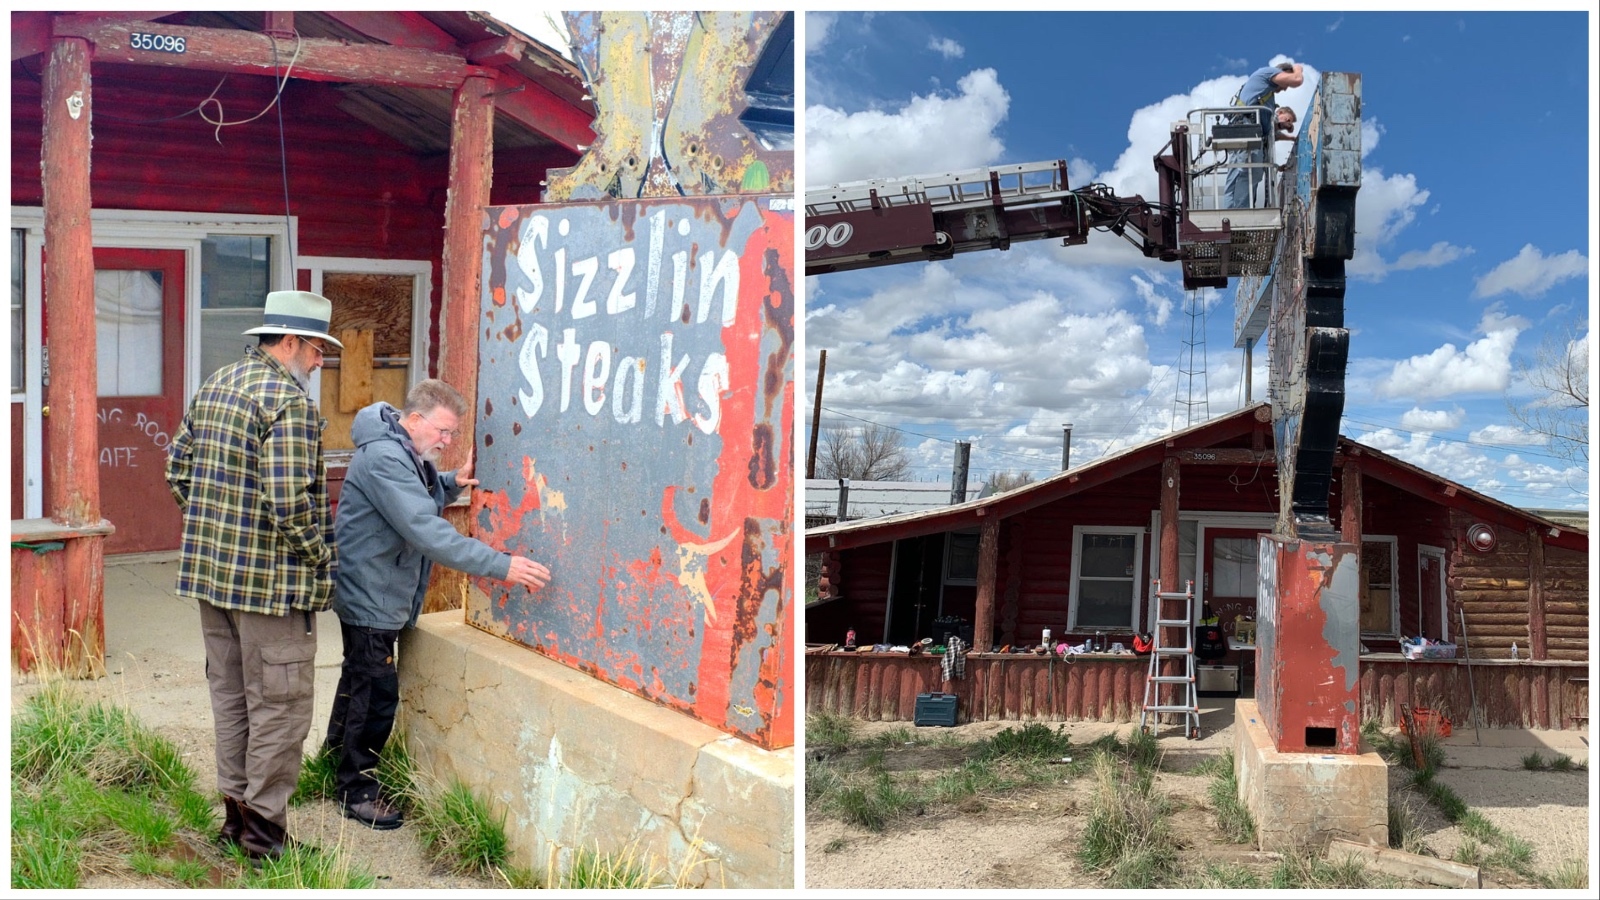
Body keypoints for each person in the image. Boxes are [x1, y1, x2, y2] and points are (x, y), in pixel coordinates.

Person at [324, 379, 552, 830]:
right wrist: (500, 565)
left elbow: (409, 499)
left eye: (451, 434)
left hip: (374, 588)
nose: (447, 441)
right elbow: (425, 530)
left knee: (359, 680)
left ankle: (335, 761)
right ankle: (357, 790)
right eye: (443, 431)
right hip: (371, 593)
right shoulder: (386, 457)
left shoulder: (396, 448)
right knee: (376, 696)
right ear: (414, 419)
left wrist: (449, 483)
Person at [165, 290, 341, 860]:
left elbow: (177, 469)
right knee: (280, 710)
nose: (320, 361)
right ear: (289, 342)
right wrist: (321, 558)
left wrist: (218, 527)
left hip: (212, 580)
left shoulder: (218, 383)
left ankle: (235, 824)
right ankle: (264, 840)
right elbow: (289, 502)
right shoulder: (289, 403)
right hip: (271, 589)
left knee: (232, 700)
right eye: (317, 349)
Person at [1223, 61, 1305, 209]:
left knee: (1244, 174)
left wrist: (1289, 136)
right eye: (1285, 83)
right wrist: (1297, 70)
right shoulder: (1268, 73)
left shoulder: (1267, 93)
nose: (1285, 88)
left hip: (1248, 130)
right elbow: (1297, 80)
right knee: (1247, 172)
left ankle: (1235, 212)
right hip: (1247, 129)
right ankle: (1238, 213)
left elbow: (1271, 130)